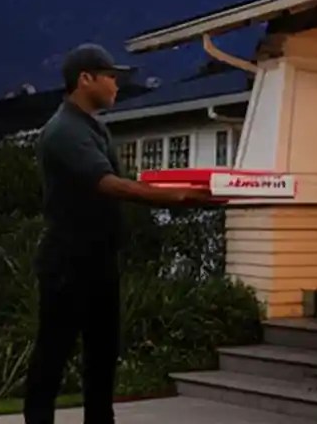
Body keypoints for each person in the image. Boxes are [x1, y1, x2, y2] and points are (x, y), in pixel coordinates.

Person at [24, 43, 211, 424]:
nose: (117, 86)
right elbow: (109, 184)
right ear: (85, 79)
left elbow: (119, 182)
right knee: (53, 353)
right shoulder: (64, 131)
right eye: (112, 77)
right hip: (68, 262)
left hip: (99, 260)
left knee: (102, 354)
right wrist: (173, 197)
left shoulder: (95, 127)